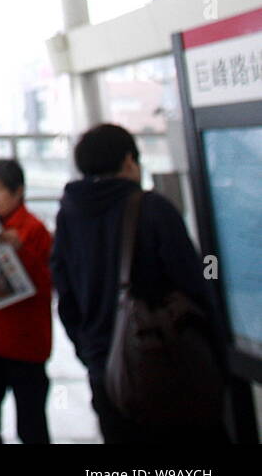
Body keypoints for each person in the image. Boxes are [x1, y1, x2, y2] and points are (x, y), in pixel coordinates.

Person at [51, 123, 225, 444]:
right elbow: (193, 282)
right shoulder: (152, 208)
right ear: (129, 160)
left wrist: (90, 351)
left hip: (104, 368)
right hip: (165, 361)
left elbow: (65, 291)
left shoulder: (68, 215)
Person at [0, 158, 53, 444]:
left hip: (24, 341)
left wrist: (20, 251)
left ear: (18, 191)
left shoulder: (33, 229)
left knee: (30, 425)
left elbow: (45, 283)